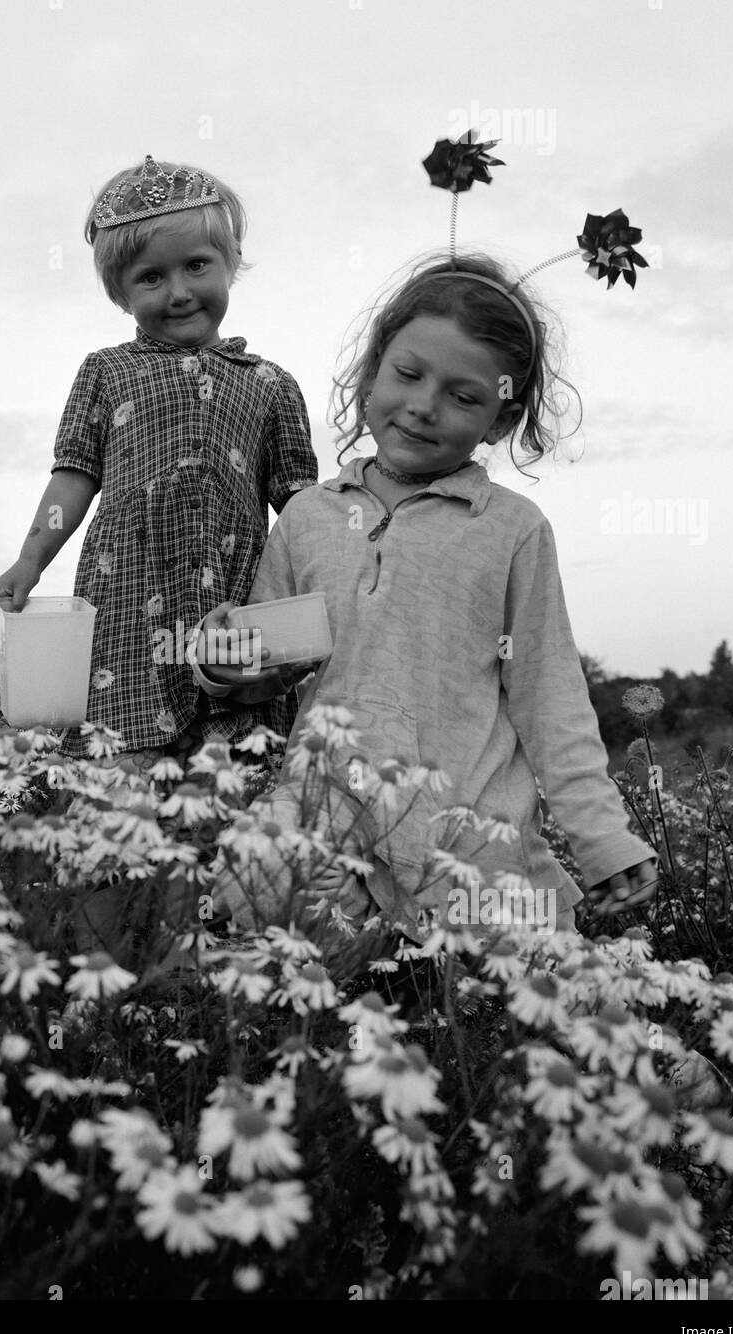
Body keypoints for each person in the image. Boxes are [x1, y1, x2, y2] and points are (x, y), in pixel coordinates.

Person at [193, 252, 658, 933]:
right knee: (280, 996)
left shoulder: (511, 531)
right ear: (373, 368)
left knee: (481, 1024)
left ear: (499, 421)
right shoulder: (308, 518)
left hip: (467, 842)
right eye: (408, 374)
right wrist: (225, 661)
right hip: (324, 825)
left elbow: (550, 695)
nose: (423, 406)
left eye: (463, 396)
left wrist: (602, 838)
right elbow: (268, 671)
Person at [0, 156, 319, 767]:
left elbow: (302, 508)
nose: (179, 291)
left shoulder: (273, 385)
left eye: (197, 265)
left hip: (234, 608)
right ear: (120, 293)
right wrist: (29, 559)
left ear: (231, 262)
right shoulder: (105, 372)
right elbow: (74, 476)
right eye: (150, 277)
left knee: (237, 786)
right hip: (127, 607)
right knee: (125, 781)